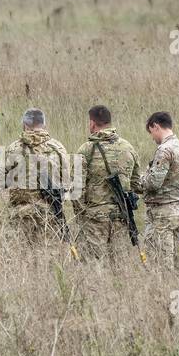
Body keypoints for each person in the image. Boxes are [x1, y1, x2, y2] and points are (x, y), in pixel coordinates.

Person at [72, 104, 141, 260]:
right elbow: (136, 184)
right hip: (121, 216)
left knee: (92, 266)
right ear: (109, 122)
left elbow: (76, 190)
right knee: (120, 266)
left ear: (92, 123)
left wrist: (82, 216)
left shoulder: (85, 149)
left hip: (94, 218)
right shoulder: (128, 147)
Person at [0, 107, 71, 242]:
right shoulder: (58, 148)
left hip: (20, 212)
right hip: (50, 212)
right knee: (49, 255)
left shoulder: (14, 148)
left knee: (17, 256)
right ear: (44, 124)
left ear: (24, 125)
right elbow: (66, 184)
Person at [134, 111, 179, 267]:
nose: (152, 137)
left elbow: (153, 183)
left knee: (161, 264)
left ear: (156, 126)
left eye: (151, 132)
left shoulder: (164, 150)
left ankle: (164, 291)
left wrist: (136, 182)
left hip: (162, 213)